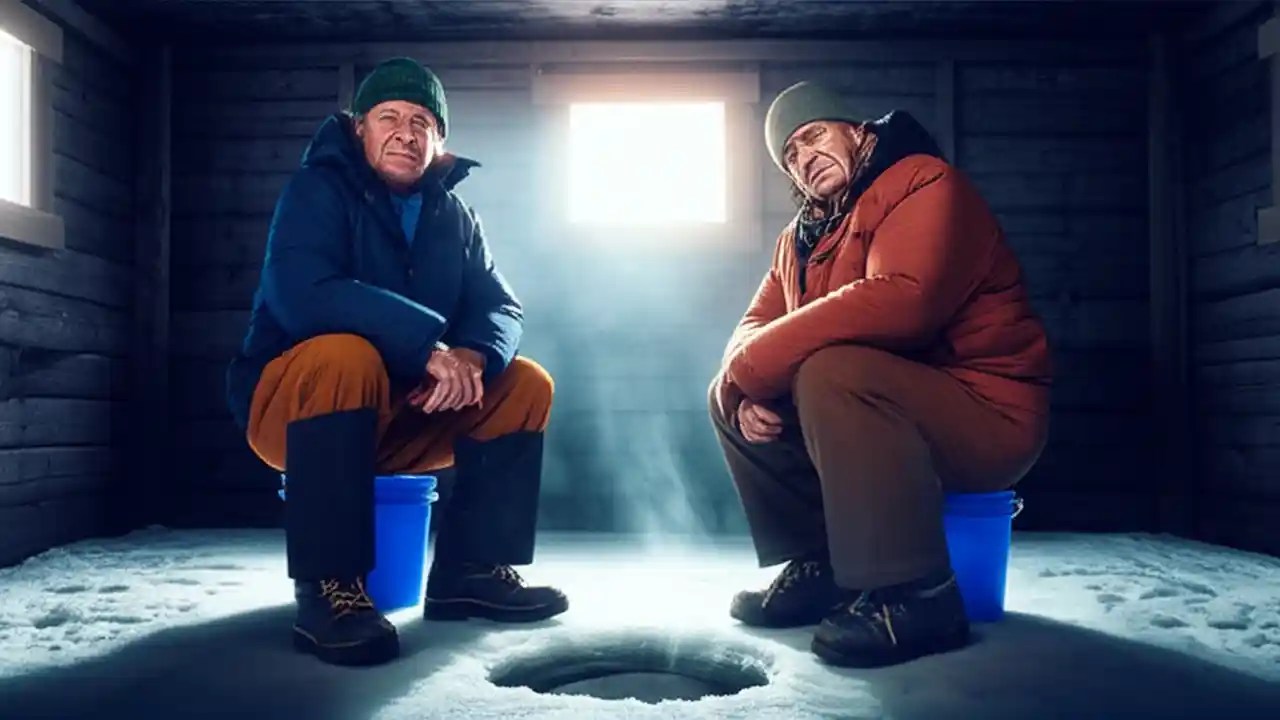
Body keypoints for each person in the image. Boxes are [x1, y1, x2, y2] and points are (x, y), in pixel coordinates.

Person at [225, 57, 568, 667]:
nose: (407, 133)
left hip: (400, 415)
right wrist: (428, 347)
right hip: (296, 411)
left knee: (523, 383)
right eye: (389, 117)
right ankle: (330, 590)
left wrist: (470, 354)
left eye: (423, 121)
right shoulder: (317, 189)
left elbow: (501, 306)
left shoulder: (457, 217)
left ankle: (469, 570)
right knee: (343, 351)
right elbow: (302, 292)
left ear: (440, 141)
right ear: (360, 128)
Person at [709, 81, 1052, 668]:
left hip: (986, 415)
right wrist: (740, 388)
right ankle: (819, 566)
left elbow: (903, 300)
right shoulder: (797, 242)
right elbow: (753, 325)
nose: (804, 157)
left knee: (831, 370)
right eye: (790, 154)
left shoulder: (925, 182)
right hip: (882, 413)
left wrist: (748, 370)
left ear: (856, 129)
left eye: (814, 135)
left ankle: (918, 593)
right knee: (730, 398)